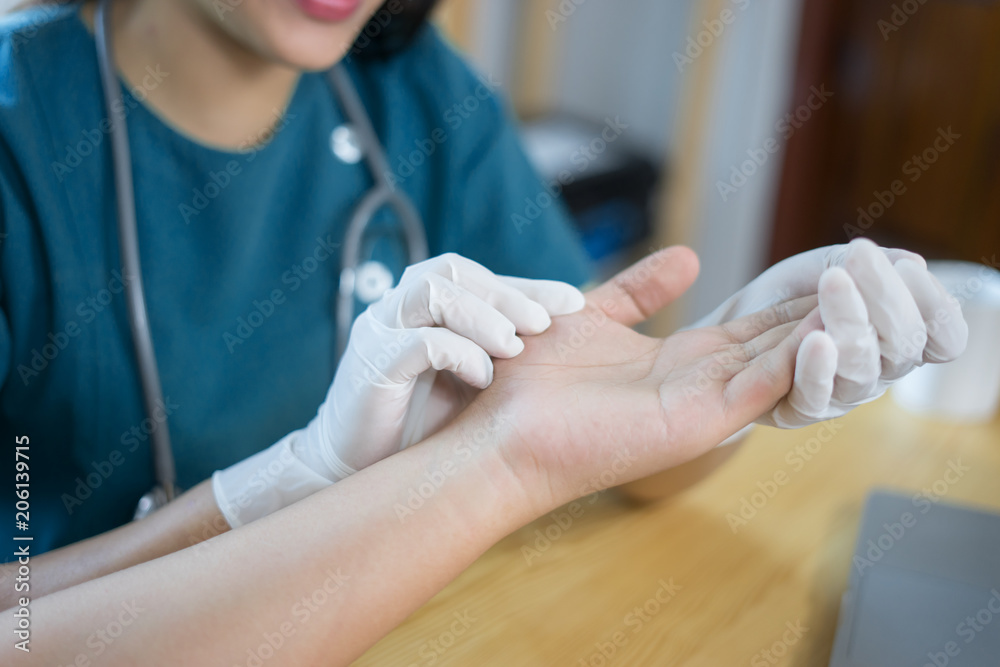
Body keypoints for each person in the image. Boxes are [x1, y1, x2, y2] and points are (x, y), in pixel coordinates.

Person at [0, 0, 968, 662]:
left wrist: (737, 370)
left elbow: (607, 436)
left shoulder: (417, 95)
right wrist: (287, 482)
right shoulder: (21, 131)